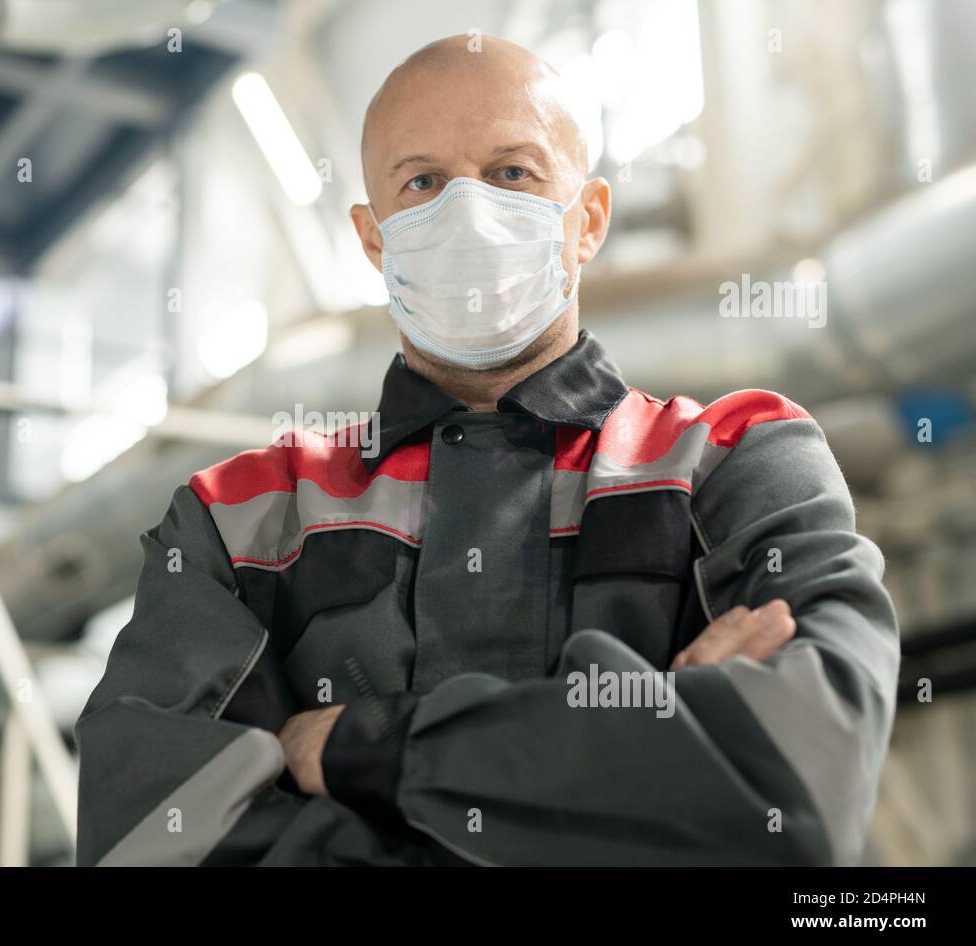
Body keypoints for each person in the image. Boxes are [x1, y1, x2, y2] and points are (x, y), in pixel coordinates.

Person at [74, 35, 899, 866]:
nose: (466, 210)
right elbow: (151, 836)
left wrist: (365, 748)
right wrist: (647, 742)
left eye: (512, 173)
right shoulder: (237, 517)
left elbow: (801, 787)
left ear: (589, 221)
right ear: (373, 239)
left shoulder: (740, 458)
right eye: (423, 182)